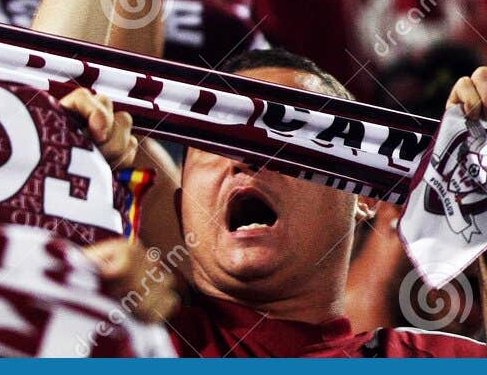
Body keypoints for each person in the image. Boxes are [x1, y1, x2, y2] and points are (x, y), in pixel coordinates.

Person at [166, 48, 487, 358]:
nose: (246, 158)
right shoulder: (138, 335)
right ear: (180, 211)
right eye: (218, 140)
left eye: (286, 134)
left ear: (364, 194)